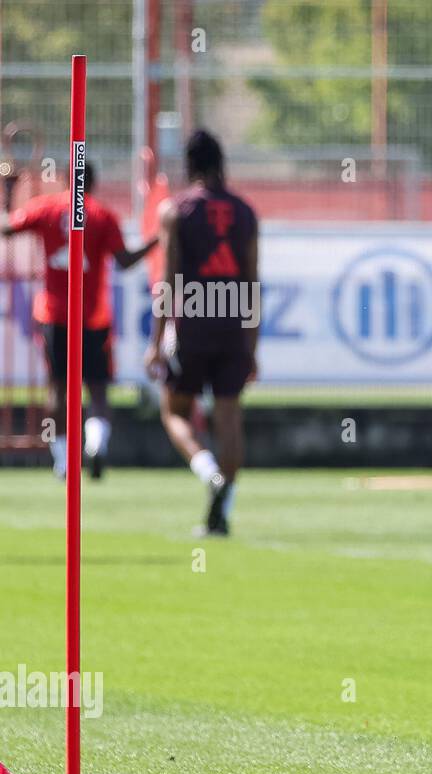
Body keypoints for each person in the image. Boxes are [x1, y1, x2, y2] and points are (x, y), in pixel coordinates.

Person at [3, 163, 157, 479]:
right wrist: (157, 239)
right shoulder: (102, 215)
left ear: (67, 179)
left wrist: (8, 192)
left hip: (54, 314)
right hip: (93, 317)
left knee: (57, 388)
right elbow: (125, 260)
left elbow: (8, 227)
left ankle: (62, 461)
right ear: (94, 182)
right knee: (97, 389)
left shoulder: (46, 208)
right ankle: (96, 444)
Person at [144, 129, 259, 536]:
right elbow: (252, 281)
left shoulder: (176, 210)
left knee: (174, 411)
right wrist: (252, 344)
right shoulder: (245, 212)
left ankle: (209, 471)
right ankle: (222, 512)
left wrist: (156, 342)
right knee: (229, 418)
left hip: (192, 323)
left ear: (189, 164)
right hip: (232, 325)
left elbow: (168, 279)